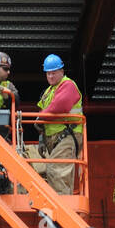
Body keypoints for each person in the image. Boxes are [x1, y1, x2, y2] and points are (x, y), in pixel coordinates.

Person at [36, 54, 83, 194]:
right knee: (31, 162)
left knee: (58, 172)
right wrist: (41, 138)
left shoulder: (68, 85)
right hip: (52, 139)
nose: (50, 76)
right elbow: (42, 115)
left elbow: (59, 106)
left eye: (54, 73)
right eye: (48, 73)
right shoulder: (48, 91)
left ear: (62, 71)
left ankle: (61, 211)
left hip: (67, 136)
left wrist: (40, 117)